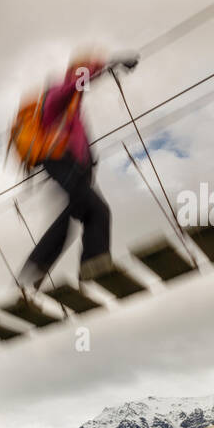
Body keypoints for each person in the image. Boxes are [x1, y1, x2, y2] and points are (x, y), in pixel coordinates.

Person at [16, 50, 139, 294]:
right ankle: (92, 268)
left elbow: (80, 143)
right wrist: (107, 65)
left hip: (76, 169)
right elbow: (75, 84)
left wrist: (89, 164)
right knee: (97, 211)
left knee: (73, 217)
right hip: (59, 162)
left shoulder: (73, 111)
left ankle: (34, 271)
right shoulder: (56, 95)